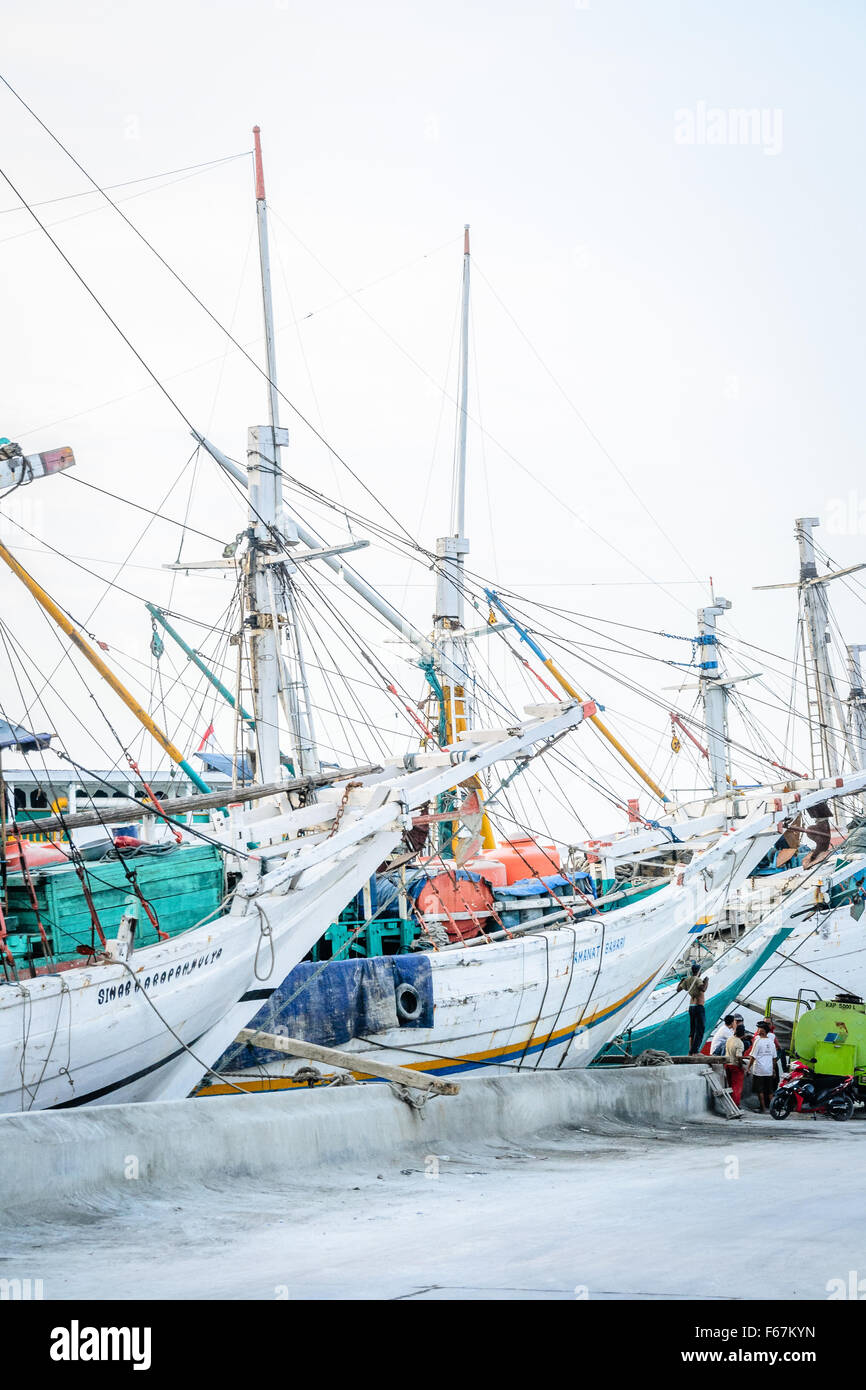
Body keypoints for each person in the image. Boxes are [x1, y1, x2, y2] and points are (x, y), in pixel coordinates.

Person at [676, 962, 709, 1054]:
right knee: (700, 1029)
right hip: (699, 1006)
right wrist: (706, 980)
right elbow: (703, 989)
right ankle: (695, 1051)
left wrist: (681, 981)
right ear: (699, 971)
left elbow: (678, 989)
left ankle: (691, 1050)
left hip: (691, 1007)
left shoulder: (688, 980)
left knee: (693, 1030)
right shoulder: (697, 979)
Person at [748, 1021, 777, 1112]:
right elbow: (774, 1058)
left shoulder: (758, 1041)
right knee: (769, 1091)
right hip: (768, 1070)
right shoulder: (771, 1042)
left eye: (759, 1028)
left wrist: (748, 1067)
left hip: (759, 1070)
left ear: (763, 1030)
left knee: (760, 1090)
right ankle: (772, 1109)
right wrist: (773, 1069)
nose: (757, 1030)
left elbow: (753, 1057)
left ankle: (763, 1108)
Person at [725, 1025, 747, 1107]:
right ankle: (736, 1105)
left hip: (727, 1065)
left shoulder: (729, 1039)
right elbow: (738, 1056)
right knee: (737, 1088)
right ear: (743, 1033)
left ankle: (730, 1104)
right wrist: (741, 1066)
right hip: (735, 1066)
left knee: (730, 1086)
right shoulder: (740, 1043)